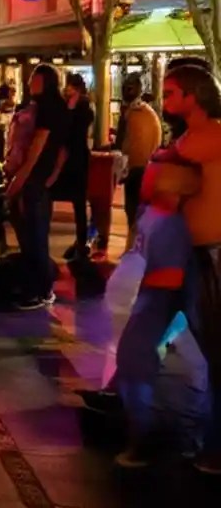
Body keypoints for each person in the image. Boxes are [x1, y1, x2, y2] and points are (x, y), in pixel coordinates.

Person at [112, 157, 200, 467]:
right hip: (142, 303)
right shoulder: (151, 214)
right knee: (133, 366)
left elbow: (169, 278)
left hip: (151, 303)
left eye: (159, 168)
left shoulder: (172, 225)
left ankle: (143, 443)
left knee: (137, 366)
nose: (151, 172)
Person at [160, 64, 221, 474]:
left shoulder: (208, 136)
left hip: (211, 255)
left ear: (192, 97)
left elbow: (164, 174)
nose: (163, 101)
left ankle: (215, 448)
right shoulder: (192, 137)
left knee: (216, 349)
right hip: (193, 252)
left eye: (169, 93)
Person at [6, 64, 71, 310]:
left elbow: (37, 151)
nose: (30, 83)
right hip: (38, 179)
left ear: (46, 82)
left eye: (35, 79)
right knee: (31, 236)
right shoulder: (56, 108)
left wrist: (18, 181)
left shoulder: (47, 110)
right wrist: (51, 176)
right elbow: (63, 151)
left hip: (32, 180)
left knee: (33, 237)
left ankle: (41, 290)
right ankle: (35, 287)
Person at [117, 73, 163, 249]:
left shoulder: (132, 113)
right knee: (141, 211)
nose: (127, 91)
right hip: (148, 166)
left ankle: (134, 248)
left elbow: (123, 143)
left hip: (137, 167)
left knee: (134, 210)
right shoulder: (148, 112)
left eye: (130, 88)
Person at [52, 73, 95, 261]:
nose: (67, 90)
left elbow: (70, 131)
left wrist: (69, 108)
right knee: (75, 201)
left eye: (70, 86)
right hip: (72, 158)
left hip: (74, 158)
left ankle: (81, 241)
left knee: (78, 201)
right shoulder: (69, 105)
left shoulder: (83, 108)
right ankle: (81, 240)